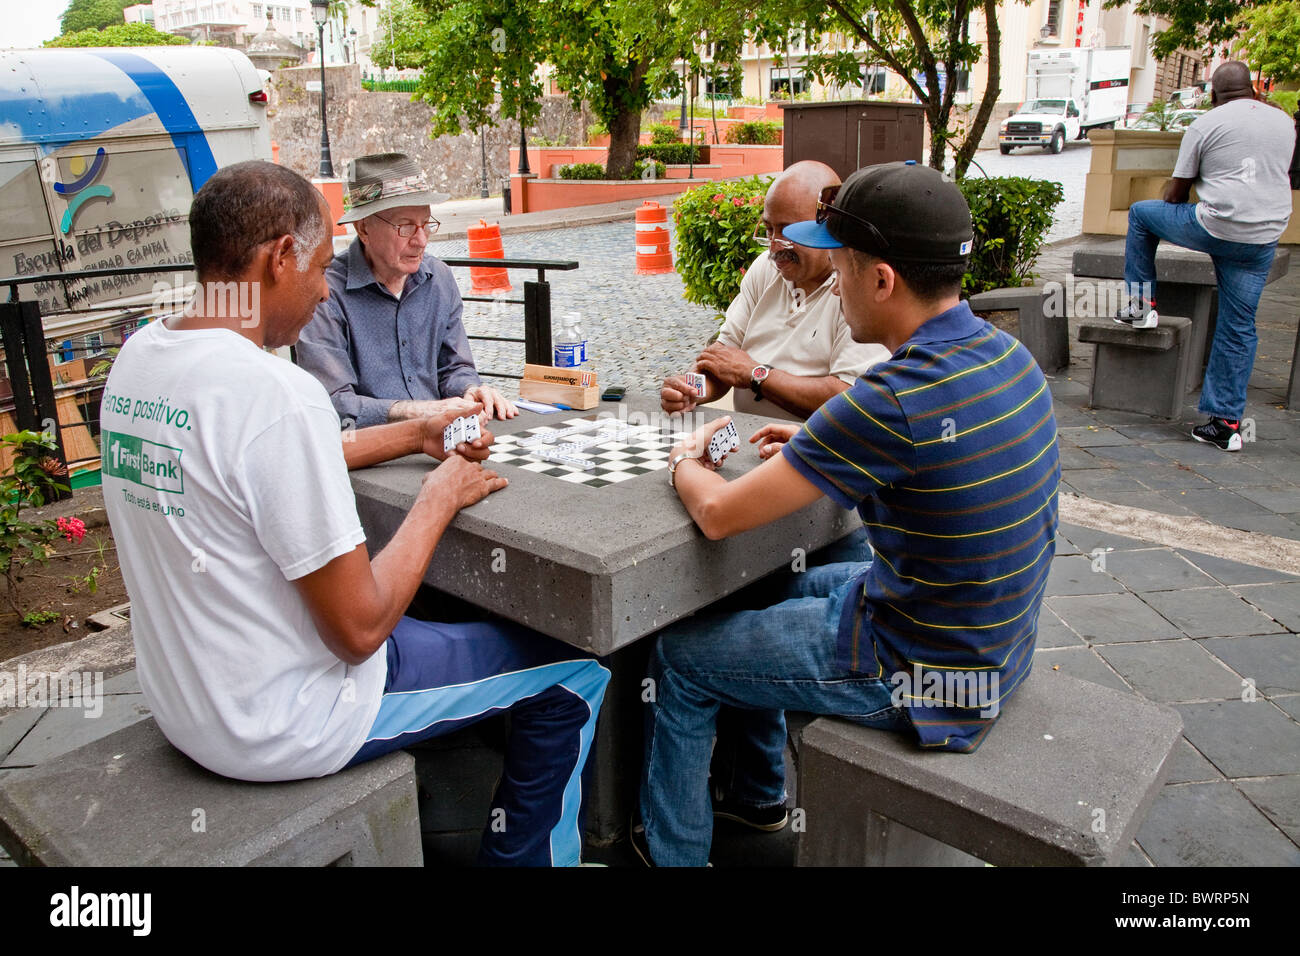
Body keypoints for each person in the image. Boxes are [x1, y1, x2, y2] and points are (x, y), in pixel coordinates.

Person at [100, 161, 609, 866]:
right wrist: (437, 498)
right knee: (575, 667)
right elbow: (360, 630)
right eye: (313, 265)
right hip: (285, 720)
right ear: (280, 256)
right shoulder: (274, 394)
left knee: (461, 623)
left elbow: (239, 465)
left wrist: (410, 435)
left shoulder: (140, 362)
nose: (319, 289)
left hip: (184, 699)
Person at [634, 162, 1060, 867]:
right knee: (765, 589)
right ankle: (756, 792)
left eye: (844, 266)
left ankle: (674, 854)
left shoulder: (887, 397)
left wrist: (687, 456)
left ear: (883, 280)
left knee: (678, 659)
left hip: (924, 673)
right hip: (994, 645)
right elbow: (934, 453)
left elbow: (716, 515)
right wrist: (818, 440)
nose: (834, 279)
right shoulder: (1006, 354)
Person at [1114, 61, 1295, 452]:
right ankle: (1226, 425)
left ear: (1213, 94)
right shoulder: (1283, 122)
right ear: (1255, 89)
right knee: (1239, 325)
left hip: (1217, 226)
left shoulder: (1206, 124)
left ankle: (1140, 304)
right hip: (1263, 236)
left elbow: (1176, 196)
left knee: (1142, 215)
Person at [297, 152, 518, 427]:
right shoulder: (326, 293)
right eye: (405, 227)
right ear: (363, 228)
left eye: (426, 224)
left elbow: (454, 367)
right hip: (370, 455)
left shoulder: (438, 277)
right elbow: (333, 402)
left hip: (440, 438)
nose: (421, 240)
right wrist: (417, 412)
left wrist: (469, 390)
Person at [660, 161, 889, 423]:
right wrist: (692, 389)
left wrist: (756, 374)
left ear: (828, 227)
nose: (773, 248)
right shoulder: (766, 269)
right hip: (747, 436)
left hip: (812, 447)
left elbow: (847, 399)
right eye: (769, 230)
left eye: (788, 232)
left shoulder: (855, 287)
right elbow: (722, 359)